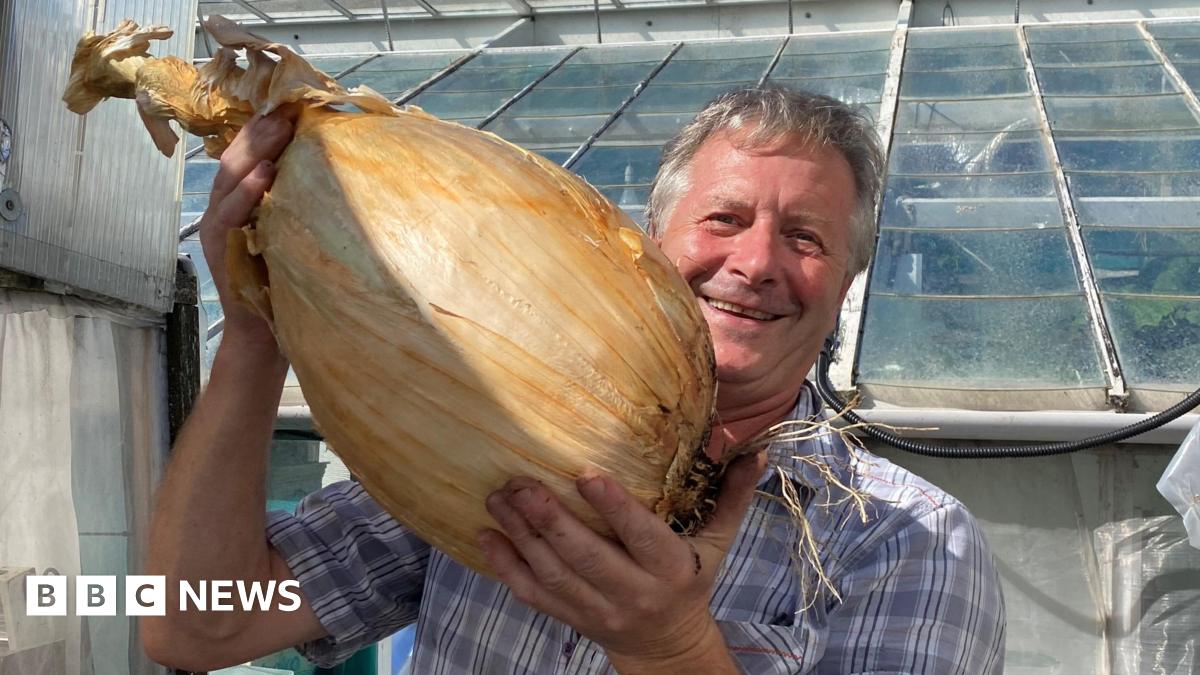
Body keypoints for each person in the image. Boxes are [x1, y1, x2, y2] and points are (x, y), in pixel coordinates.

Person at [142, 87, 1006, 673]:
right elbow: (194, 621)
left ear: (848, 281)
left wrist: (671, 649)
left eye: (806, 239)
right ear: (645, 246)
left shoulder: (911, 541)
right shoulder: (480, 428)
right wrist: (257, 337)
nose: (754, 263)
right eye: (725, 219)